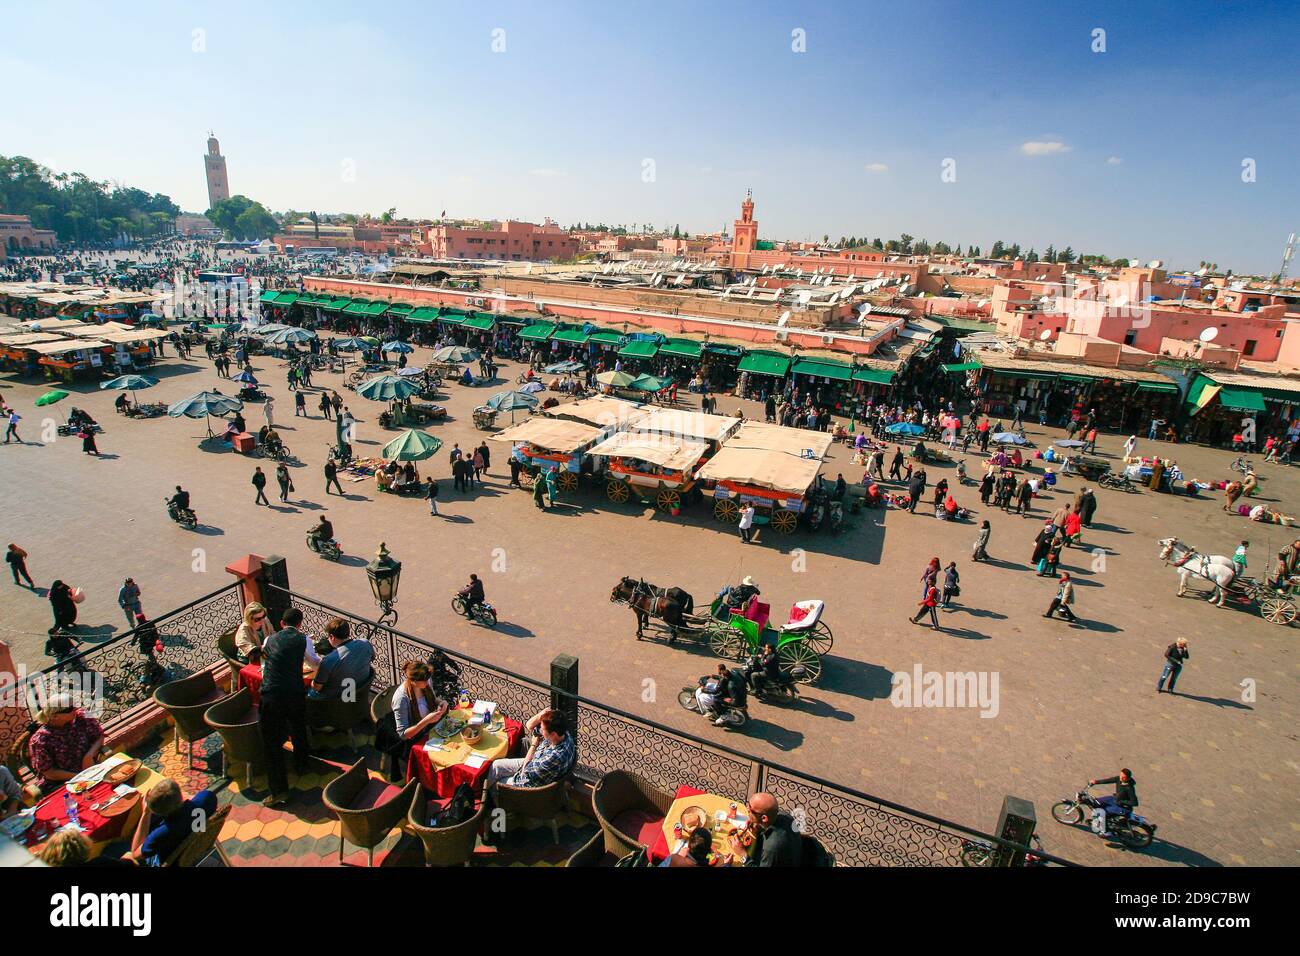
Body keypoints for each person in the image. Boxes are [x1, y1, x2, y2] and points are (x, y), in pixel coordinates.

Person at [258, 607, 312, 806]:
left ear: (281, 623)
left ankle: (279, 790)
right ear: (300, 624)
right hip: (295, 692)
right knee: (298, 728)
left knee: (271, 743)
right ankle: (302, 764)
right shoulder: (302, 639)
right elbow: (313, 662)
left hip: (272, 695)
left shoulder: (270, 640)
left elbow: (267, 661)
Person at [484, 707, 576, 793]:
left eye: (543, 729)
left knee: (496, 784)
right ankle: (486, 792)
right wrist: (541, 715)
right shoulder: (564, 734)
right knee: (496, 765)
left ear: (553, 734)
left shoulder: (553, 758)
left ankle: (493, 800)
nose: (541, 731)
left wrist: (533, 745)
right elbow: (529, 726)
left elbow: (525, 770)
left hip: (527, 783)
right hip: (536, 764)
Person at [129, 779, 218, 866]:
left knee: (124, 844)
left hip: (173, 860)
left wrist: (146, 813)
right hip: (200, 842)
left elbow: (135, 854)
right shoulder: (207, 798)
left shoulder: (160, 835)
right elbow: (193, 799)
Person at [28, 694, 105, 793]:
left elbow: (99, 736)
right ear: (55, 716)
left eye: (74, 705)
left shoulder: (82, 716)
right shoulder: (41, 740)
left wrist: (89, 755)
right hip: (62, 782)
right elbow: (49, 772)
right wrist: (80, 776)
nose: (75, 709)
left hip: (91, 771)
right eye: (70, 709)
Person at [730, 792, 802, 867]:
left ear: (764, 818)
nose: (747, 809)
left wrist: (742, 854)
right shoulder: (784, 815)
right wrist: (757, 825)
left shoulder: (771, 848)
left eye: (750, 809)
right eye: (748, 804)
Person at [309, 618, 374, 700]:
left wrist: (311, 681)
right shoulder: (365, 643)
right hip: (360, 691)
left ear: (332, 637)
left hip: (336, 700)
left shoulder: (329, 660)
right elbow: (371, 658)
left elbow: (317, 687)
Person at [1088, 769, 1138, 837]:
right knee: (1097, 802)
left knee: (1102, 812)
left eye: (1124, 777)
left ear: (1128, 778)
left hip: (1123, 807)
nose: (1121, 778)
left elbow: (1134, 802)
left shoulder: (1130, 788)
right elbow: (1108, 780)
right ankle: (1101, 821)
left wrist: (1121, 801)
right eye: (1121, 775)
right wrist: (1096, 782)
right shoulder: (1119, 779)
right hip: (1115, 800)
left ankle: (1106, 832)